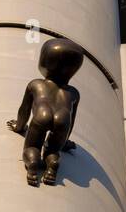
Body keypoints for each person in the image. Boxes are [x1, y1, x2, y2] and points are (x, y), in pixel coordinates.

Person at [6, 38, 84, 187]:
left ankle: (33, 165)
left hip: (42, 115)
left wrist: (19, 127)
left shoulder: (35, 84)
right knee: (53, 150)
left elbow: (24, 111)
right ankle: (53, 163)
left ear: (43, 62)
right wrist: (65, 142)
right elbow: (71, 121)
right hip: (62, 119)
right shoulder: (73, 93)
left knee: (31, 147)